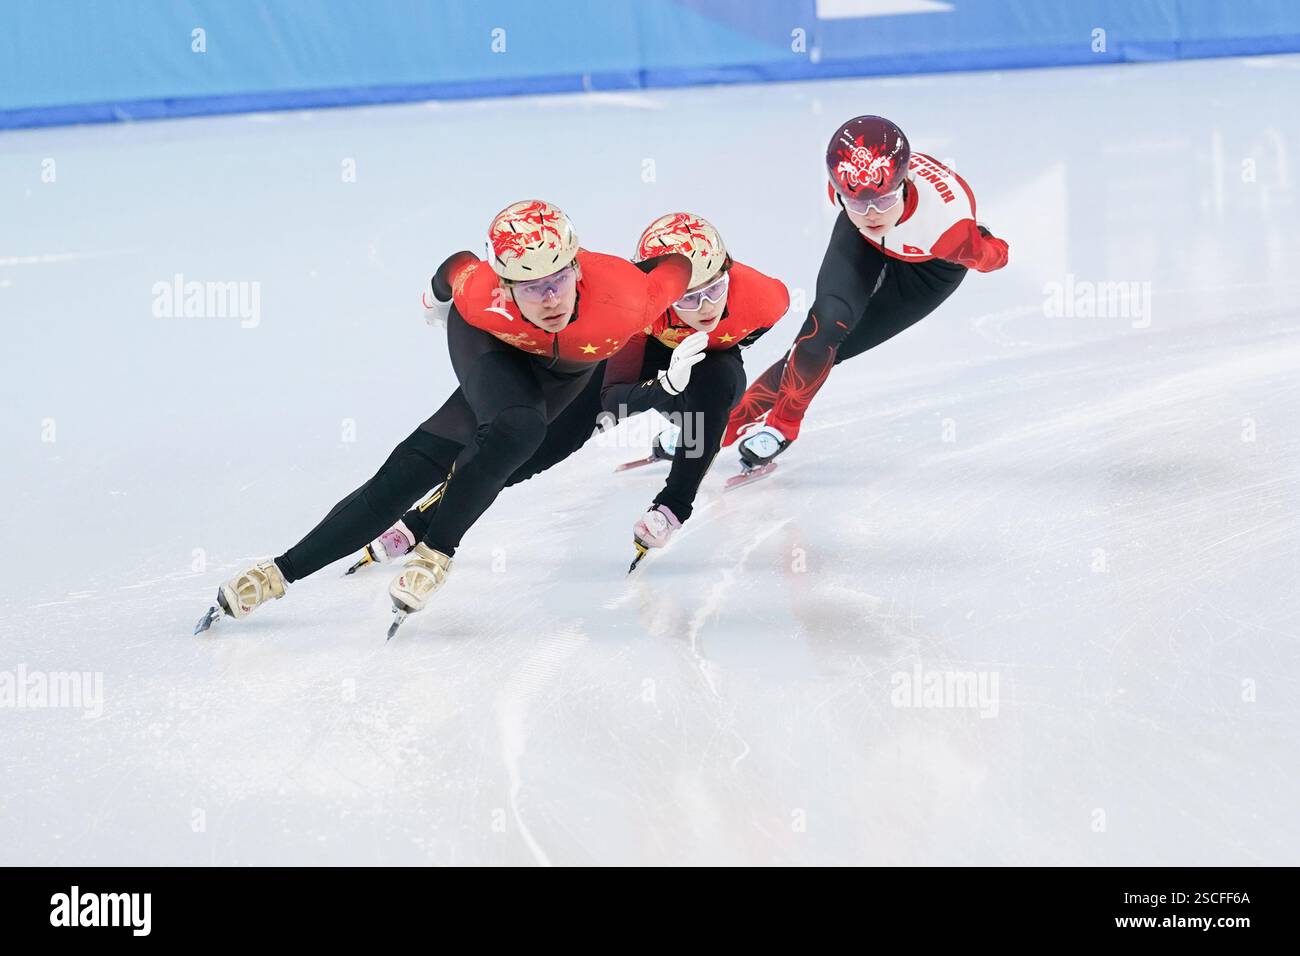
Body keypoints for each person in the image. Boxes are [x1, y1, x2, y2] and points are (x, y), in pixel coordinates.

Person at [195, 199, 690, 635]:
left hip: (565, 376)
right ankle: (284, 573)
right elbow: (458, 265)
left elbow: (678, 266)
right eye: (531, 286)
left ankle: (419, 552)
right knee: (502, 433)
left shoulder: (629, 296)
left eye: (558, 279)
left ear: (577, 268)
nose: (550, 298)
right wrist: (435, 298)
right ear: (505, 284)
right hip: (492, 346)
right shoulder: (480, 293)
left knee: (505, 439)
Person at [355, 212, 791, 573]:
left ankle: (673, 505)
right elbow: (614, 399)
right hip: (640, 356)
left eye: (715, 290)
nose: (706, 307)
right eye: (689, 299)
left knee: (717, 389)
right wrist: (666, 389)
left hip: (706, 360)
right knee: (539, 448)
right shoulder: (636, 314)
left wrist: (698, 387)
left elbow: (754, 329)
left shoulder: (767, 297)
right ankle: (421, 520)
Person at [723, 115, 1010, 468]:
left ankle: (774, 425)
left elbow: (998, 257)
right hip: (864, 244)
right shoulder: (850, 190)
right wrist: (865, 207)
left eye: (884, 201)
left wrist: (982, 244)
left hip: (928, 270)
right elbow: (866, 206)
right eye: (858, 203)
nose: (872, 214)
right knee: (821, 331)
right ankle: (734, 424)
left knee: (836, 348)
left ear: (905, 183)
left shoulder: (949, 229)